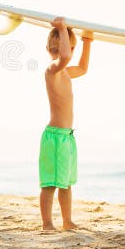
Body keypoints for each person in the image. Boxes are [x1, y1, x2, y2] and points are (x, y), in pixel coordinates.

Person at [39, 17, 92, 231]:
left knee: (66, 182)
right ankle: (47, 223)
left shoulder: (66, 72)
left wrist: (88, 41)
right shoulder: (53, 70)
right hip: (54, 137)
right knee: (51, 183)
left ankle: (67, 221)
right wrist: (62, 29)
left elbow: (83, 67)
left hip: (67, 136)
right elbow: (66, 57)